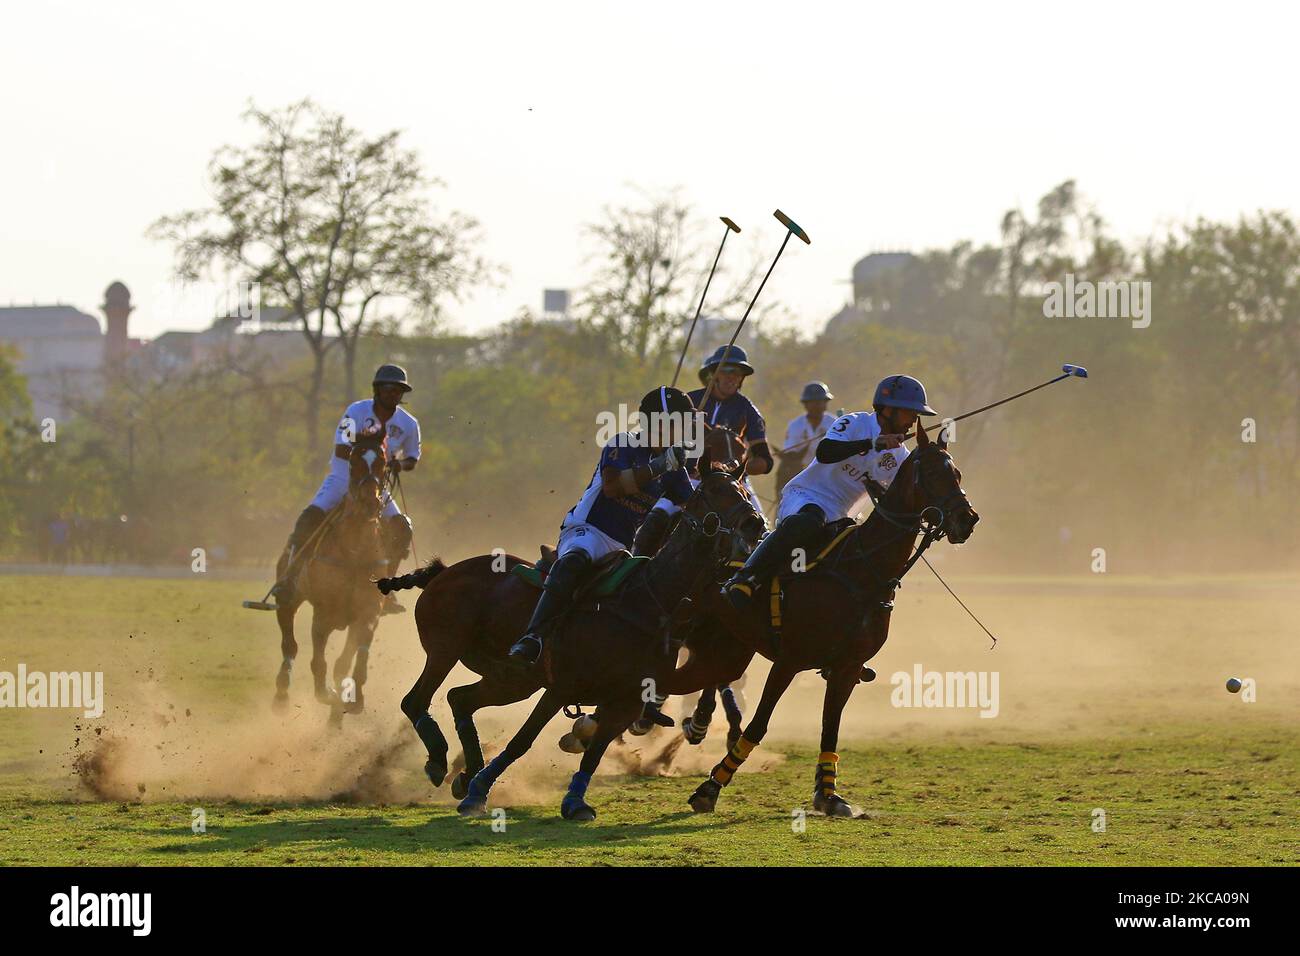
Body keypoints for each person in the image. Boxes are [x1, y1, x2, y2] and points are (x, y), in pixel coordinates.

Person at [507, 386, 697, 671]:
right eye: (676, 422)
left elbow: (694, 504)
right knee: (575, 561)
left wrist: (718, 478)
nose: (681, 430)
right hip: (586, 530)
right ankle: (532, 637)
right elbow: (612, 487)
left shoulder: (674, 468)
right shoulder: (624, 443)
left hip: (623, 548)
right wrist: (659, 466)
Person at [721, 374, 936, 609]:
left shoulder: (900, 457)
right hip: (807, 497)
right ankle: (746, 579)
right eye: (910, 413)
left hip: (843, 518)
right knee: (810, 520)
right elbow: (825, 452)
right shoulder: (855, 423)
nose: (913, 421)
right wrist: (872, 443)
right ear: (888, 409)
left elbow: (897, 499)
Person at [271, 364, 421, 613]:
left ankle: (387, 589)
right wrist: (368, 447)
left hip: (377, 484)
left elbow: (412, 459)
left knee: (402, 527)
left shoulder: (408, 423)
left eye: (398, 390)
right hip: (343, 478)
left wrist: (398, 464)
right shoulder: (357, 411)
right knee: (309, 517)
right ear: (377, 390)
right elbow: (341, 447)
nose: (393, 394)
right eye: (388, 389)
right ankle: (290, 579)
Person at [687, 345, 772, 522]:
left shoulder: (748, 410)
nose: (732, 376)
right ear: (714, 373)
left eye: (738, 372)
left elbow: (765, 461)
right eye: (726, 370)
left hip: (733, 483)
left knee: (761, 527)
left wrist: (734, 469)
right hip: (688, 478)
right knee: (659, 514)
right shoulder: (690, 401)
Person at [774, 381, 836, 508]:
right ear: (805, 405)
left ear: (825, 403)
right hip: (801, 475)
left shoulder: (835, 423)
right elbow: (791, 456)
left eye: (819, 402)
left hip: (830, 474)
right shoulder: (795, 425)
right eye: (812, 403)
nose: (816, 406)